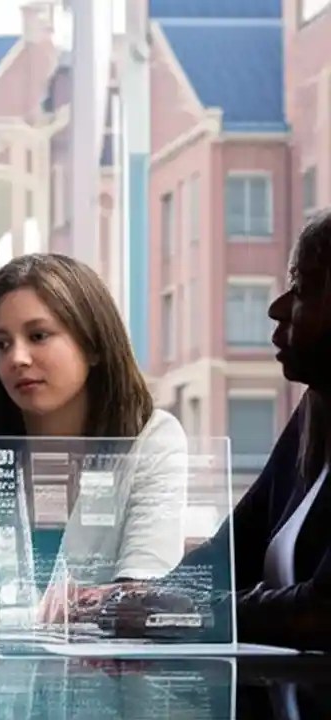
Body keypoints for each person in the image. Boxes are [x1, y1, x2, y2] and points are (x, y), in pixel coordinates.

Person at [0, 253, 188, 616]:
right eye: (1, 344)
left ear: (92, 345)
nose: (17, 358)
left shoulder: (155, 438)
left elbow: (142, 597)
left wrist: (20, 615)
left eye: (38, 336)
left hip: (104, 669)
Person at [172, 211, 331, 651]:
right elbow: (225, 555)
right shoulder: (314, 415)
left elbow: (321, 612)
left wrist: (183, 613)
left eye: (300, 288)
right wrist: (129, 599)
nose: (276, 308)